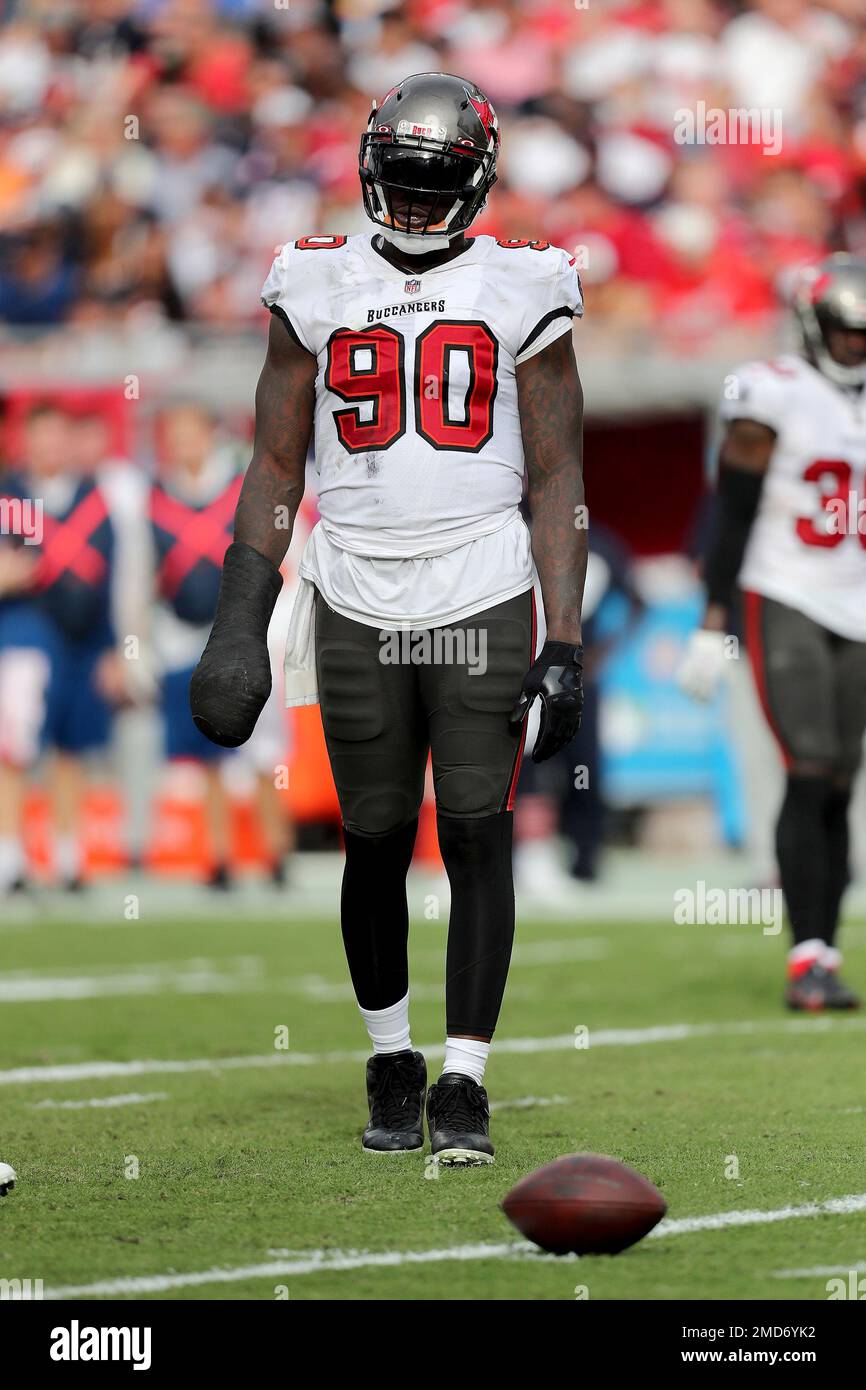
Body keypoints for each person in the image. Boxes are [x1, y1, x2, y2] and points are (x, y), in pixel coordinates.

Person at [191, 73, 586, 1163]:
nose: (412, 203)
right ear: (367, 166)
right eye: (399, 180)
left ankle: (463, 1077)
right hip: (355, 586)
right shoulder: (311, 279)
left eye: (434, 182)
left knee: (472, 826)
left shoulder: (525, 281)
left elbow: (556, 476)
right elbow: (275, 458)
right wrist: (240, 616)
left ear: (477, 183)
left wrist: (564, 635)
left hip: (482, 581)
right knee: (370, 837)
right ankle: (389, 1053)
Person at [679, 253, 866, 1011]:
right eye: (843, 330)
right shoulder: (772, 391)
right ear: (812, 326)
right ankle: (807, 956)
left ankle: (824, 948)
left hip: (857, 602)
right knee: (810, 764)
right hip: (784, 589)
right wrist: (713, 619)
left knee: (841, 781)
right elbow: (734, 508)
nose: (855, 344)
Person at [0, 403, 127, 892]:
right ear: (24, 442)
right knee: (17, 745)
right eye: (40, 437)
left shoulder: (92, 499)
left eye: (57, 437)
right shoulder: (10, 497)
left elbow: (110, 579)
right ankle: (12, 859)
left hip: (83, 639)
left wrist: (115, 648)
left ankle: (68, 857)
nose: (48, 447)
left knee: (71, 750)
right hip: (25, 635)